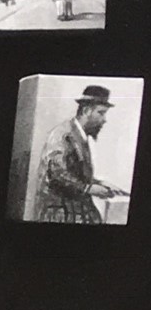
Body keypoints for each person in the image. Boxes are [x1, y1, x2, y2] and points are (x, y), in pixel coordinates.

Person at [33, 83, 121, 223]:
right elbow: (57, 173)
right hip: (59, 213)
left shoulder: (79, 135)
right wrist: (89, 188)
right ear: (86, 111)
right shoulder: (63, 134)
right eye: (101, 113)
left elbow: (75, 173)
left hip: (73, 209)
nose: (104, 120)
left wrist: (101, 183)